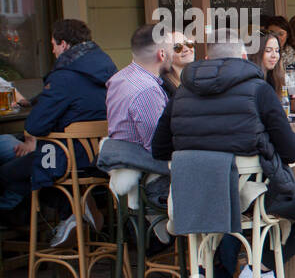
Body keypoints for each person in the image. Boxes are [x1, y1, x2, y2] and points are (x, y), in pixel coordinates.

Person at [151, 30, 295, 278]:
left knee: (240, 211)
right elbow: (288, 151)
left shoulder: (182, 92)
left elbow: (160, 149)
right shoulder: (258, 89)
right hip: (253, 200)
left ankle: (216, 274)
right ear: (243, 57)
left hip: (198, 199)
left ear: (206, 58)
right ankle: (261, 269)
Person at [0, 19, 116, 238]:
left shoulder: (64, 76)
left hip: (66, 158)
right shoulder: (105, 68)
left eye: (53, 45)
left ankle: (71, 212)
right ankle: (78, 209)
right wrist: (38, 100)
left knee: (9, 173)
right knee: (30, 164)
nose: (52, 50)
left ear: (63, 44)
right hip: (100, 156)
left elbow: (35, 125)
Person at [106, 24, 172, 153]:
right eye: (173, 49)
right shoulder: (147, 89)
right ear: (162, 54)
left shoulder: (118, 78)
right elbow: (157, 145)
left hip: (119, 159)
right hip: (141, 166)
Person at [248, 31, 285, 95]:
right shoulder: (250, 80)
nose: (274, 55)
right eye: (268, 51)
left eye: (277, 51)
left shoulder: (274, 76)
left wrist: (290, 97)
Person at [161, 31, 195, 97]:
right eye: (178, 47)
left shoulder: (199, 77)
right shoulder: (164, 88)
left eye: (188, 43)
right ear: (167, 55)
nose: (186, 49)